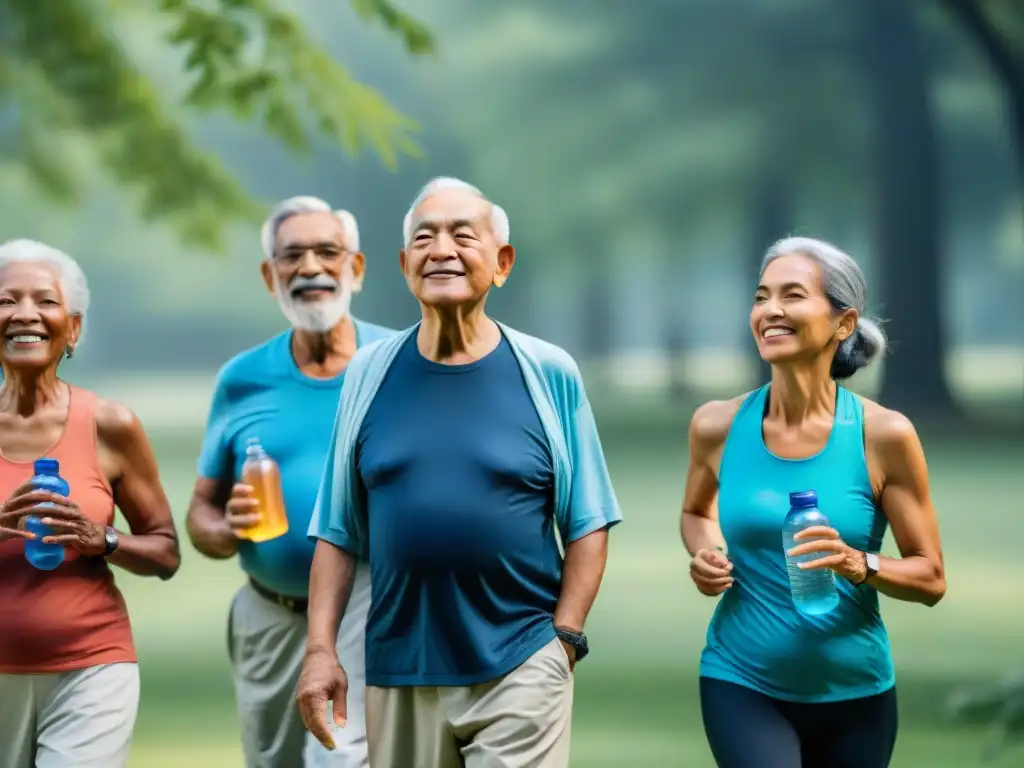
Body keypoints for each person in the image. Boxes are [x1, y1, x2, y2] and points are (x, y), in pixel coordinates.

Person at [295, 177, 622, 768]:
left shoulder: (547, 371)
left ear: (502, 263)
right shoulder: (369, 373)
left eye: (461, 235)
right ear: (403, 264)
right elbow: (338, 529)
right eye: (424, 237)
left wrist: (564, 639)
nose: (440, 249)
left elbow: (588, 519)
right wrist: (321, 649)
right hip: (398, 666)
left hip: (521, 661)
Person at [680, 236, 947, 768]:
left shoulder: (884, 435)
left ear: (843, 323)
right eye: (761, 297)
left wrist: (856, 562)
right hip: (742, 679)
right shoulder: (716, 425)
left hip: (858, 692)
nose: (770, 311)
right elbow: (695, 511)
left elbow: (931, 578)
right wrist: (708, 554)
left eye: (792, 295)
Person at [186, 196, 393, 768]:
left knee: (350, 760)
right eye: (292, 256)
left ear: (355, 267)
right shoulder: (242, 378)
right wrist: (225, 527)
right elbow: (200, 513)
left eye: (328, 253)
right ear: (268, 273)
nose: (310, 269)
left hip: (371, 614)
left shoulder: (400, 360)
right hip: (271, 617)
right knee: (273, 761)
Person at [0, 239, 181, 768]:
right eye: (7, 300)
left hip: (92, 668)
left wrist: (99, 538)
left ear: (73, 328)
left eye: (45, 301)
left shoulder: (110, 425)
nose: (25, 314)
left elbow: (165, 553)